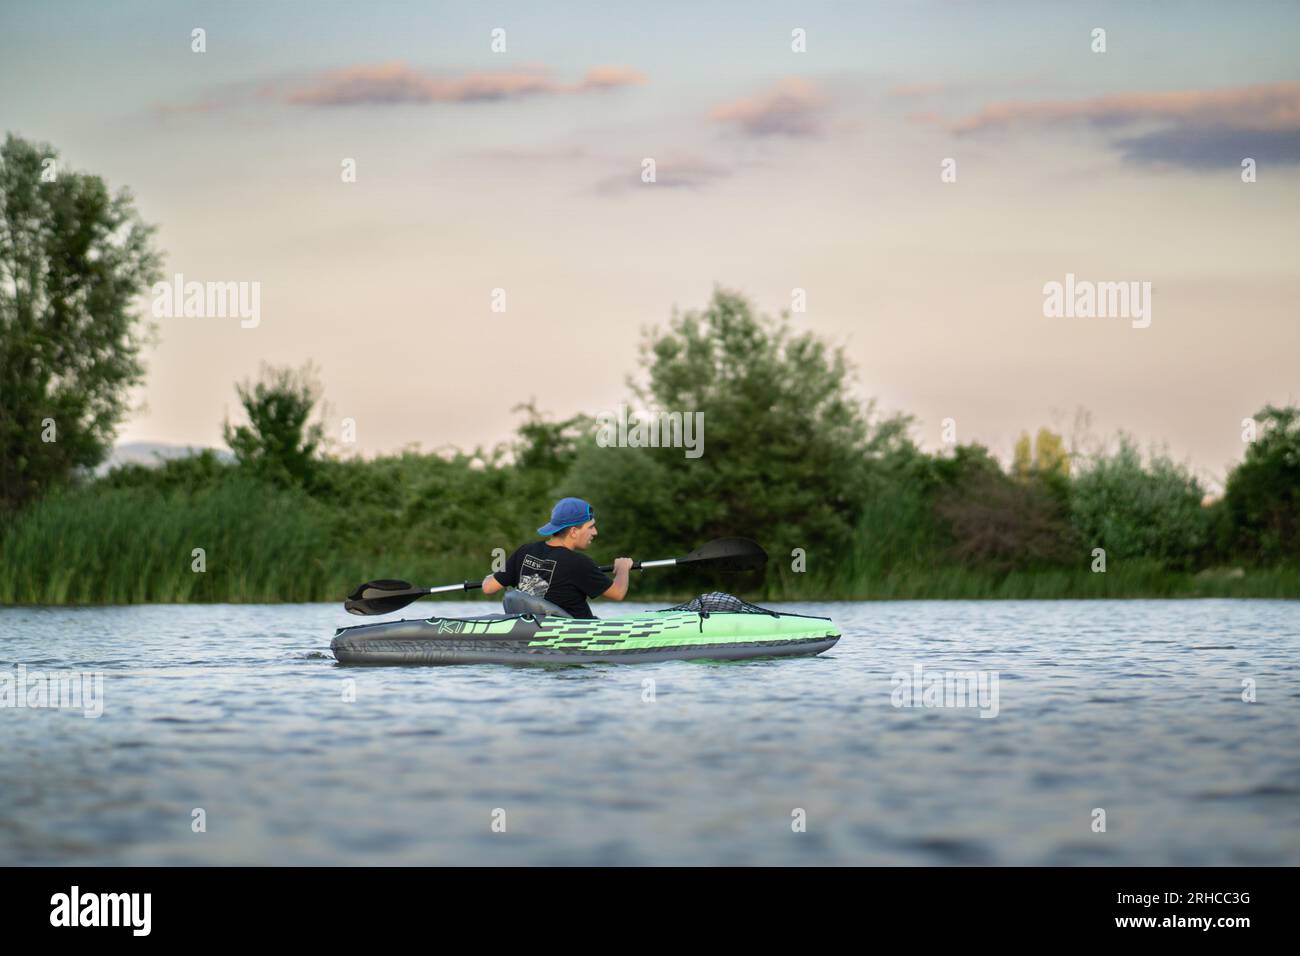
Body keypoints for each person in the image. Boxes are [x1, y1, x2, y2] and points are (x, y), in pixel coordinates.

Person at [481, 497, 633, 619]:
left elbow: (488, 587)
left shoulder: (525, 551)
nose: (595, 532)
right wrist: (623, 568)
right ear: (573, 531)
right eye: (591, 527)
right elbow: (618, 593)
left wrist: (494, 575)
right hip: (578, 637)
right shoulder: (579, 562)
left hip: (534, 628)